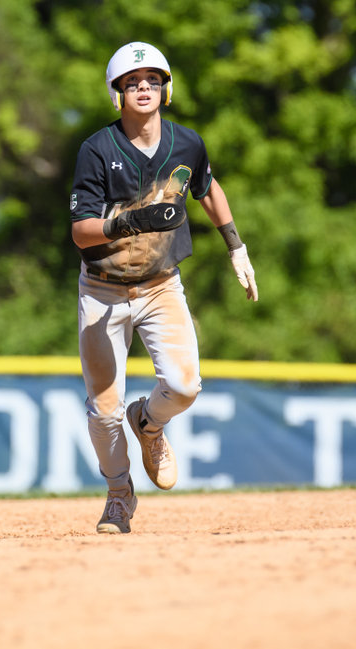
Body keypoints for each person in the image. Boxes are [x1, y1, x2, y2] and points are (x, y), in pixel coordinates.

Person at [69, 41, 258, 534]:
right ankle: (118, 498)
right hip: (103, 289)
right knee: (103, 411)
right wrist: (129, 223)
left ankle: (149, 423)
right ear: (118, 94)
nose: (144, 88)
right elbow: (80, 230)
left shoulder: (187, 143)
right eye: (133, 82)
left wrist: (235, 245)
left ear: (166, 88)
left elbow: (206, 186)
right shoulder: (97, 149)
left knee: (183, 386)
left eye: (152, 80)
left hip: (159, 285)